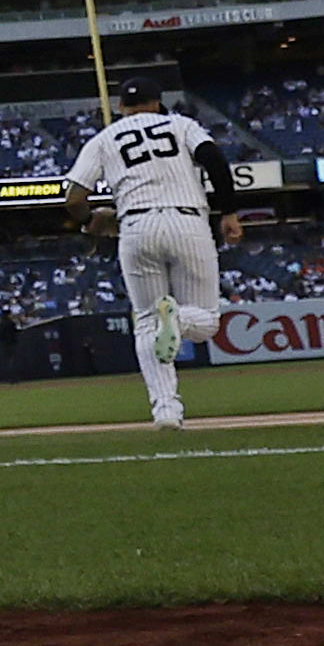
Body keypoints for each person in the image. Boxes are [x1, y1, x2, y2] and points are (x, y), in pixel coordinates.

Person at [63, 73, 239, 430]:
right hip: (187, 221)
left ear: (119, 107)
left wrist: (91, 222)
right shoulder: (180, 124)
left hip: (135, 227)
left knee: (146, 321)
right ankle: (178, 320)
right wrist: (230, 211)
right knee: (205, 322)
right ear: (159, 103)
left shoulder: (104, 138)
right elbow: (215, 161)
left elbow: (74, 198)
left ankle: (166, 411)